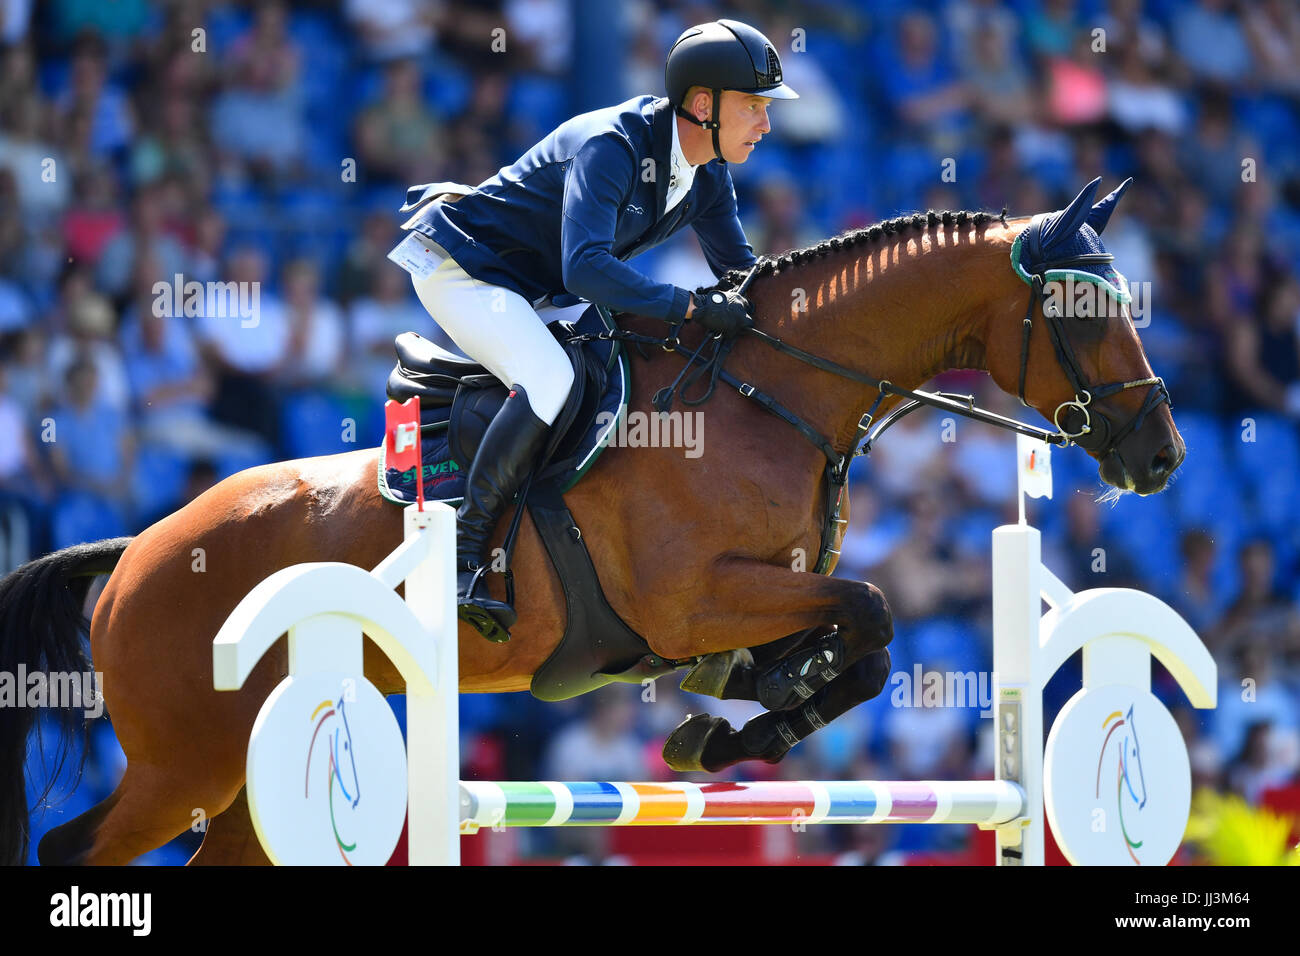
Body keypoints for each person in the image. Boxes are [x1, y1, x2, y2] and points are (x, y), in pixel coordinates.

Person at [388, 19, 798, 642]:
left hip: (538, 286)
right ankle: (466, 555)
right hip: (469, 268)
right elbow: (585, 268)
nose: (766, 123)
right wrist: (689, 308)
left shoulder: (708, 176)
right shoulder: (613, 145)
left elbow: (742, 274)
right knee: (551, 377)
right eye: (753, 106)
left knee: (625, 367)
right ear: (702, 105)